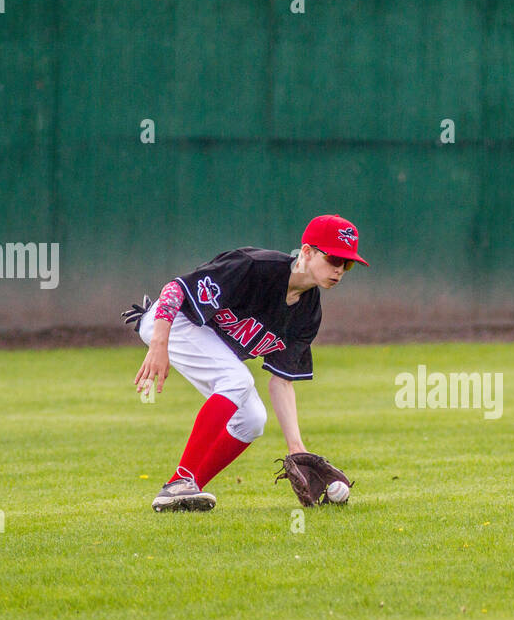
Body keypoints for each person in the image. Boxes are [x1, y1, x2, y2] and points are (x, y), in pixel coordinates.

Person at [124, 214, 367, 512]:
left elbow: (282, 380)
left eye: (348, 264)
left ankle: (180, 489)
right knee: (237, 380)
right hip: (175, 322)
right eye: (333, 259)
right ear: (306, 252)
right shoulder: (255, 267)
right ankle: (182, 482)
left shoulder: (308, 313)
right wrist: (159, 344)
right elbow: (175, 289)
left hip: (203, 338)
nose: (339, 270)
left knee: (252, 420)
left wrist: (296, 447)